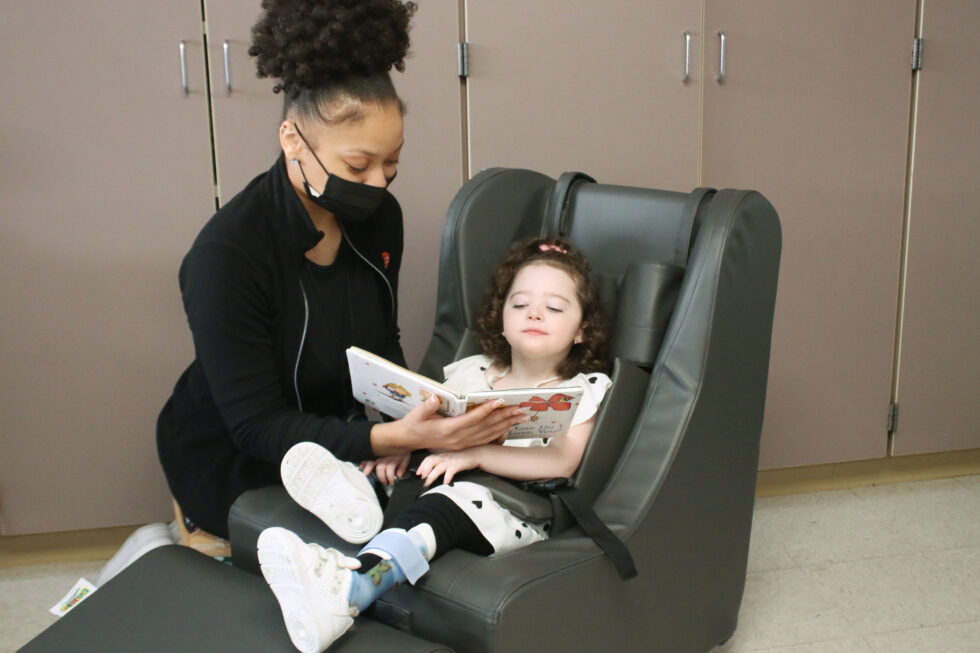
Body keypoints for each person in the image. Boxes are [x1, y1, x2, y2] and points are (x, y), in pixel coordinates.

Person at [155, 0, 524, 556]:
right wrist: (395, 436)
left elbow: (379, 347)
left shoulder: (378, 219)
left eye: (392, 163)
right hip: (236, 457)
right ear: (292, 140)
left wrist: (412, 417)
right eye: (358, 166)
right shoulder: (226, 256)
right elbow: (256, 427)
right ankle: (195, 525)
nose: (377, 184)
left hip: (341, 434)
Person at [257, 238, 613, 653]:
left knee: (446, 504)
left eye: (554, 307)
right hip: (438, 472)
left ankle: (352, 588)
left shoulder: (579, 391)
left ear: (582, 329)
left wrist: (475, 454)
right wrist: (402, 448)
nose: (534, 312)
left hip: (507, 506)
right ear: (500, 319)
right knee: (386, 470)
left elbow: (562, 460)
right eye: (519, 305)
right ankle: (357, 497)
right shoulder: (473, 371)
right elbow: (427, 423)